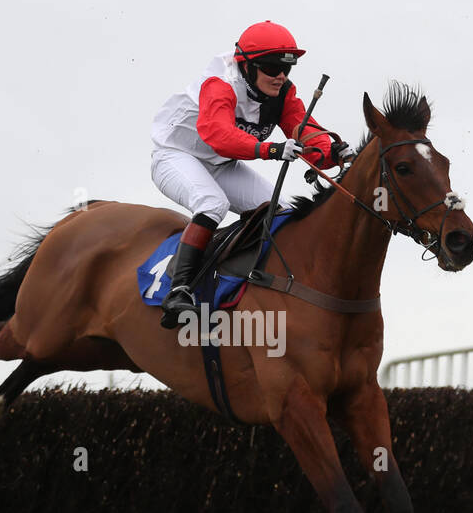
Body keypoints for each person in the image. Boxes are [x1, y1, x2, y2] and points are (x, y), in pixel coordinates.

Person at [150, 20, 355, 328]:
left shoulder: (282, 91)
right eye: (272, 67)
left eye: (287, 68)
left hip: (220, 164)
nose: (281, 76)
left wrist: (331, 152)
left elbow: (302, 128)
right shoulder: (220, 84)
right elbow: (217, 134)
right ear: (247, 66)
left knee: (280, 213)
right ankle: (178, 291)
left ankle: (244, 284)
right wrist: (270, 150)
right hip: (175, 156)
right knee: (211, 203)